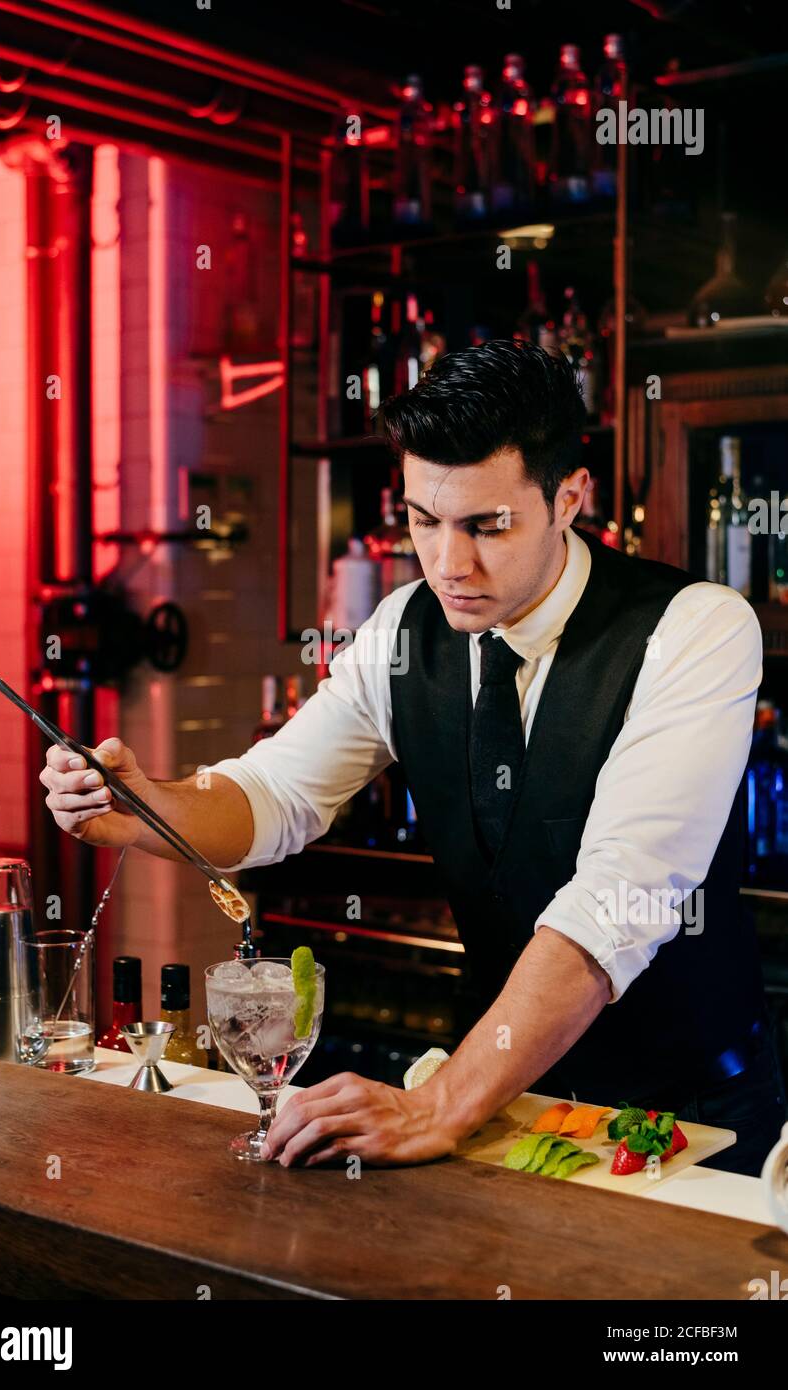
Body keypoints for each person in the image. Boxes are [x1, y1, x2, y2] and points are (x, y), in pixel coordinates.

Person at [40, 340, 785, 1175]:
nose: (448, 564)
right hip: (505, 1106)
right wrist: (144, 808)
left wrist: (437, 1104)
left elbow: (617, 898)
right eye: (422, 521)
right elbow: (276, 793)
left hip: (684, 1120)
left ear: (569, 498)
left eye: (486, 525)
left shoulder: (694, 628)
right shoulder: (404, 631)